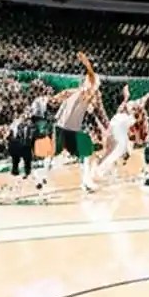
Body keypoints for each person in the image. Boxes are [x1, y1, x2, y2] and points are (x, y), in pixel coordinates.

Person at [48, 52, 102, 192]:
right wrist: (86, 63)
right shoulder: (86, 90)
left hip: (64, 127)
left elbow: (66, 93)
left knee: (83, 152)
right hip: (66, 127)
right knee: (84, 153)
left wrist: (56, 98)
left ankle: (42, 177)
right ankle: (85, 182)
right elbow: (91, 75)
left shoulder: (82, 93)